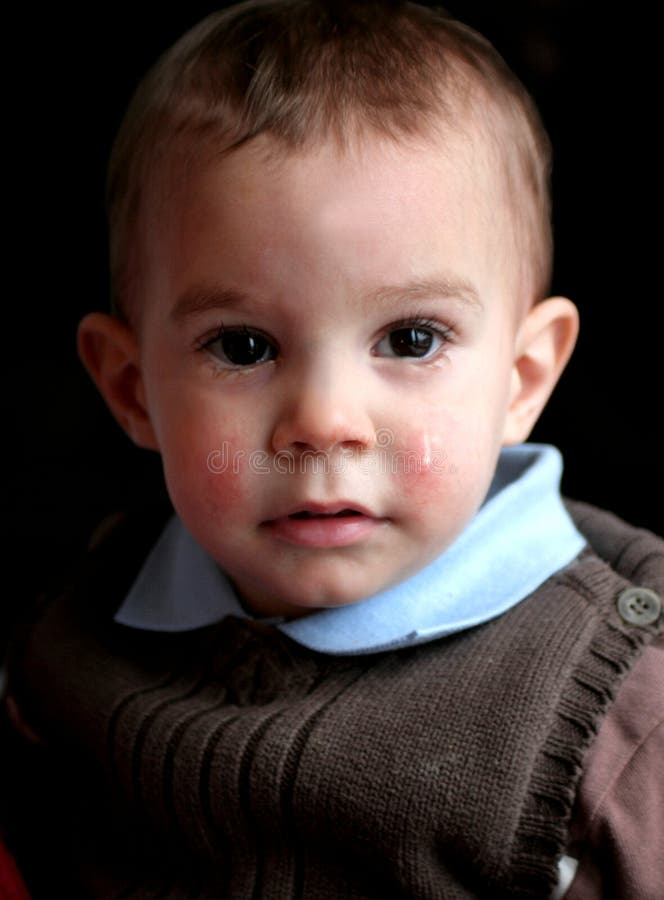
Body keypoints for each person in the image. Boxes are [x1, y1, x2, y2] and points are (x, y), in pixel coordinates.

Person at [1, 1, 661, 897]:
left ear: (521, 378)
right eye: (243, 347)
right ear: (131, 389)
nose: (324, 422)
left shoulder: (624, 709)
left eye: (412, 339)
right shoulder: (70, 644)